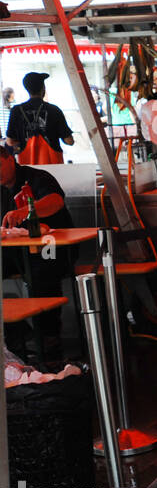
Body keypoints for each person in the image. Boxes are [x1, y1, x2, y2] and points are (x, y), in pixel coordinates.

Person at [1, 144, 73, 356]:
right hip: (15, 250)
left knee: (42, 273)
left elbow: (55, 201)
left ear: (9, 159)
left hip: (52, 244)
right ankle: (16, 333)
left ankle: (49, 339)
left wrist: (26, 211)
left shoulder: (37, 177)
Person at [6, 72, 74, 165]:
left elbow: (10, 141)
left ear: (27, 89)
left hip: (27, 169)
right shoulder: (54, 110)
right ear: (43, 88)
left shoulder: (16, 110)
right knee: (52, 179)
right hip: (53, 169)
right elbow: (69, 141)